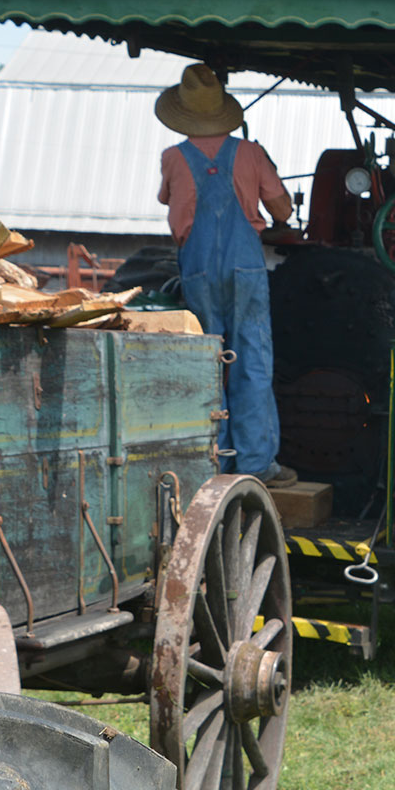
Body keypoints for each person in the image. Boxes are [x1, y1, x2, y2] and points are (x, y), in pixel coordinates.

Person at [156, 63, 297, 486]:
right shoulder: (251, 153)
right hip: (245, 264)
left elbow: (175, 211)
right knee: (252, 358)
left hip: (197, 266)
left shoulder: (174, 158)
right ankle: (256, 463)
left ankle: (213, 460)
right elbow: (284, 210)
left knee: (208, 362)